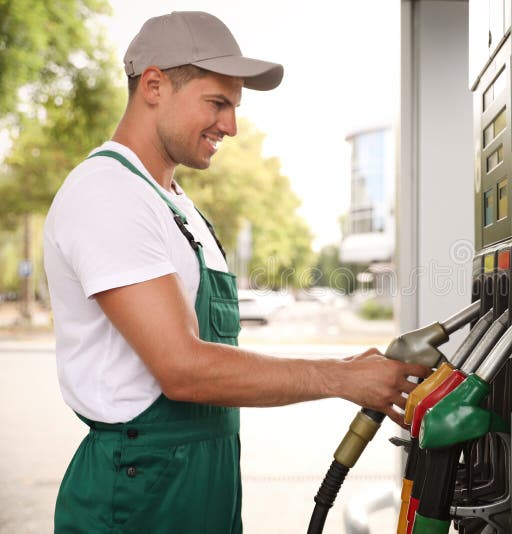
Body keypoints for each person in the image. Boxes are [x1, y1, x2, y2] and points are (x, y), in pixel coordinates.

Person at [43, 11, 429, 533]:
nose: (232, 125)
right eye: (217, 103)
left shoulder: (176, 205)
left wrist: (349, 367)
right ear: (154, 85)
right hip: (139, 499)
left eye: (234, 107)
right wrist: (342, 378)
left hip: (204, 487)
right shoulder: (108, 193)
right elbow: (183, 368)